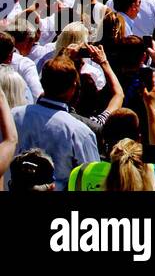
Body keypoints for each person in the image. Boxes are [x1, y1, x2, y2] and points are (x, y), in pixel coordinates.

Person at [8, 57, 98, 189]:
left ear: (42, 82)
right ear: (73, 87)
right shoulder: (79, 132)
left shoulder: (12, 116)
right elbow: (91, 180)